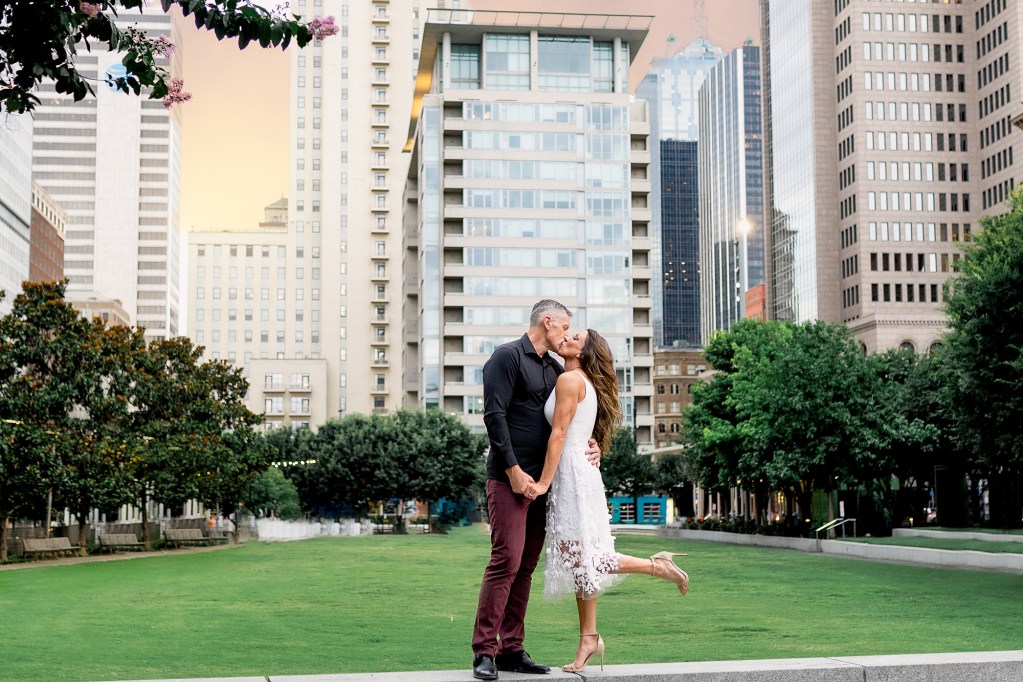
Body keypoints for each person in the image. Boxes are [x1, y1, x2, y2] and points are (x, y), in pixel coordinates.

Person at [524, 329, 691, 673]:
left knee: (582, 556)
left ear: (585, 353)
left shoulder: (571, 379)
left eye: (576, 337)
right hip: (577, 473)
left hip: (571, 475)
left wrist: (543, 482)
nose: (567, 336)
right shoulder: (571, 377)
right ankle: (589, 637)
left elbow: (558, 433)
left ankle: (656, 566)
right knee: (578, 558)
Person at [471, 300, 600, 681]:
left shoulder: (556, 369)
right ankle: (485, 651)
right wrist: (512, 470)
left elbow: (572, 421)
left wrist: (597, 445)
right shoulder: (506, 357)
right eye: (564, 328)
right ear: (548, 322)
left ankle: (511, 648)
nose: (566, 335)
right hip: (509, 479)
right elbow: (494, 417)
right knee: (505, 561)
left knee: (526, 567)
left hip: (547, 484)